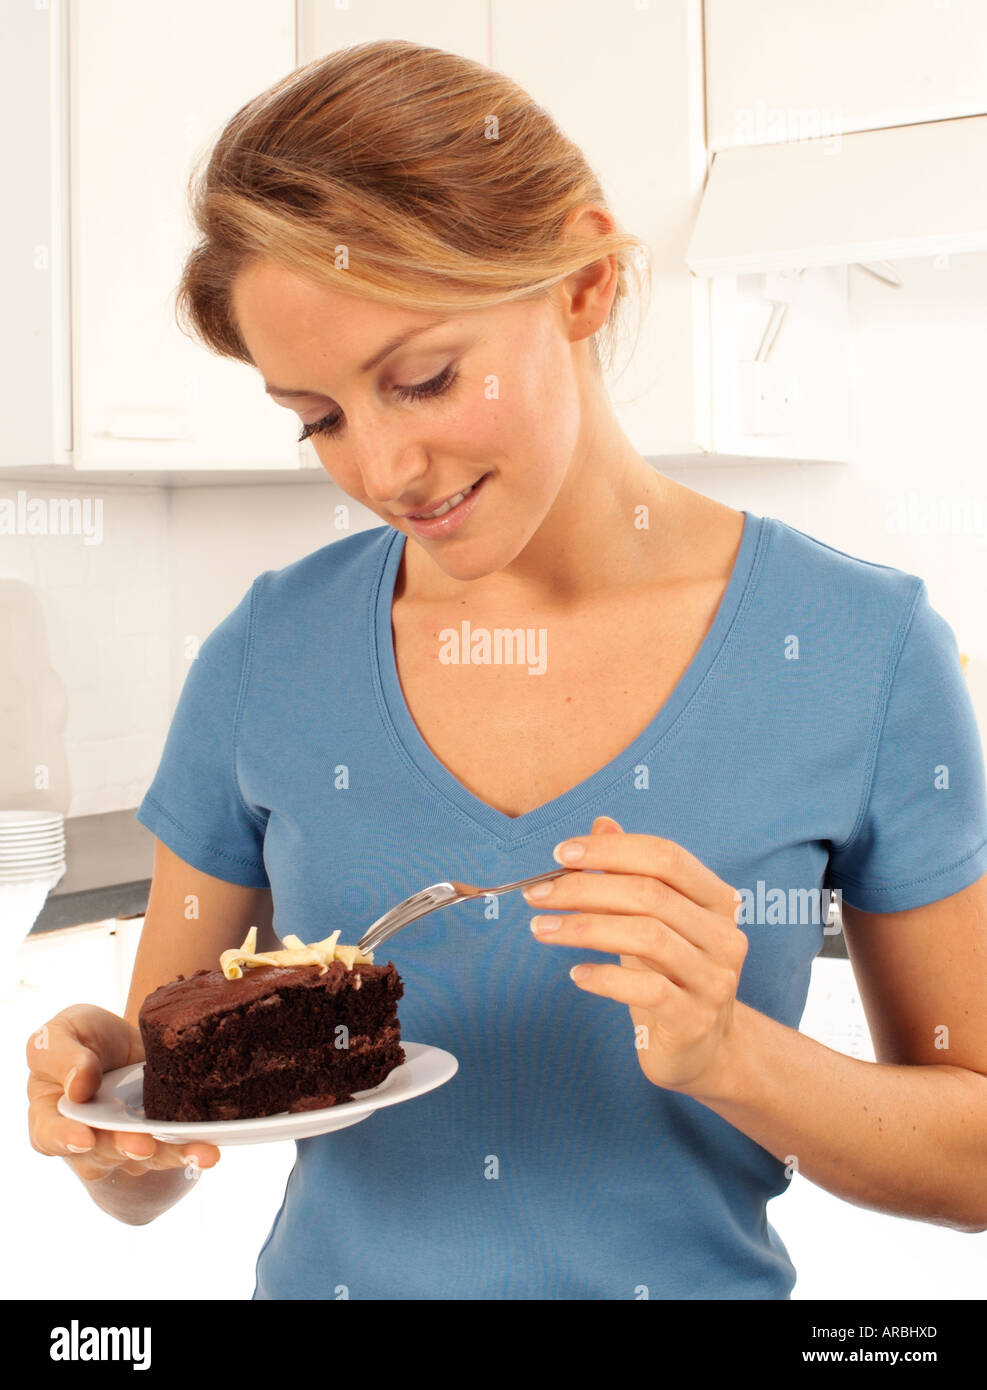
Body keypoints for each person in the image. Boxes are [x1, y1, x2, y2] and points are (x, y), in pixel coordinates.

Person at [26, 40, 987, 1300]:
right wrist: (109, 1126)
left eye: (421, 378)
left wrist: (726, 1050)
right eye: (317, 417)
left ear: (584, 281)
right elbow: (168, 1146)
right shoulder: (267, 650)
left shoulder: (863, 651)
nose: (381, 471)